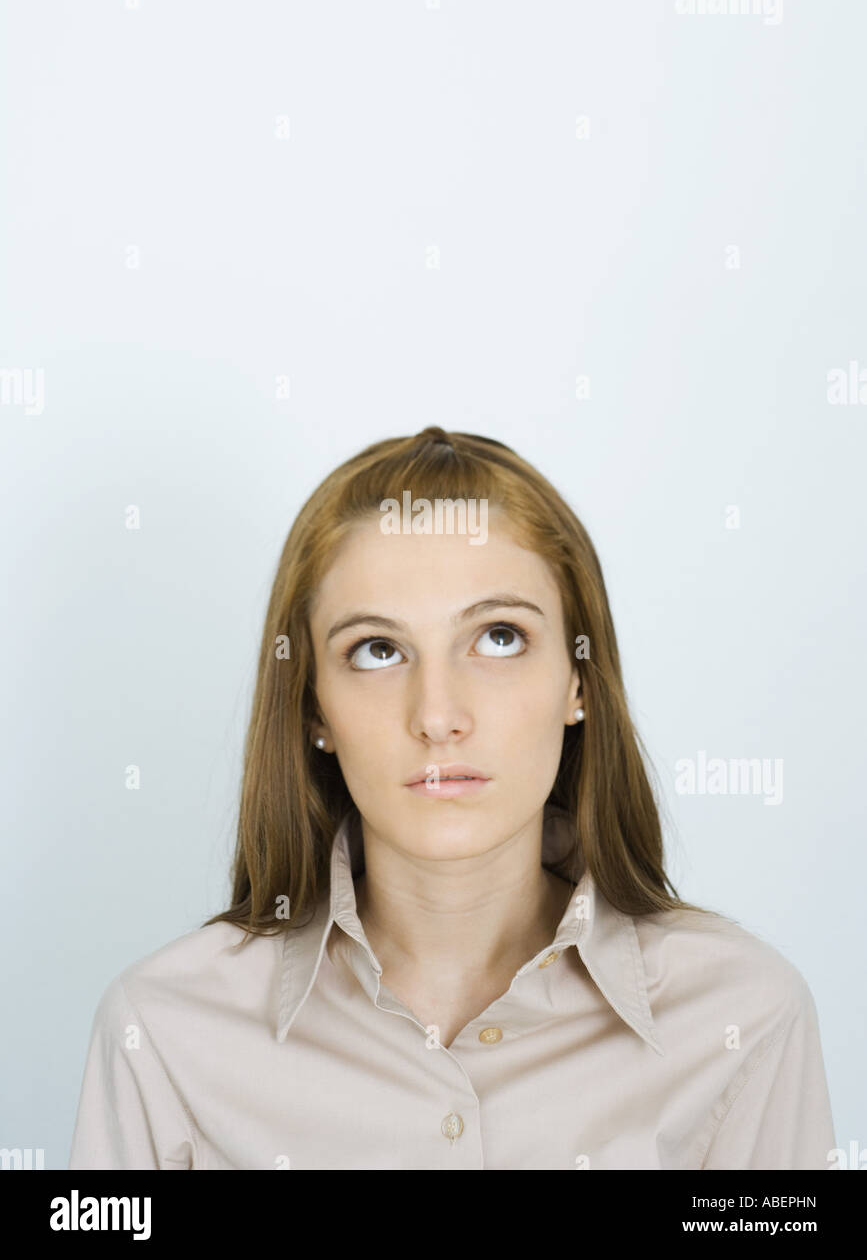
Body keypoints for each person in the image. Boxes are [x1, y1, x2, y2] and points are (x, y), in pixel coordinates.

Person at [68, 426, 835, 1170]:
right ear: (312, 708)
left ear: (577, 682)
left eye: (497, 637)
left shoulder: (742, 1017)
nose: (437, 716)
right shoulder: (163, 1034)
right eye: (377, 651)